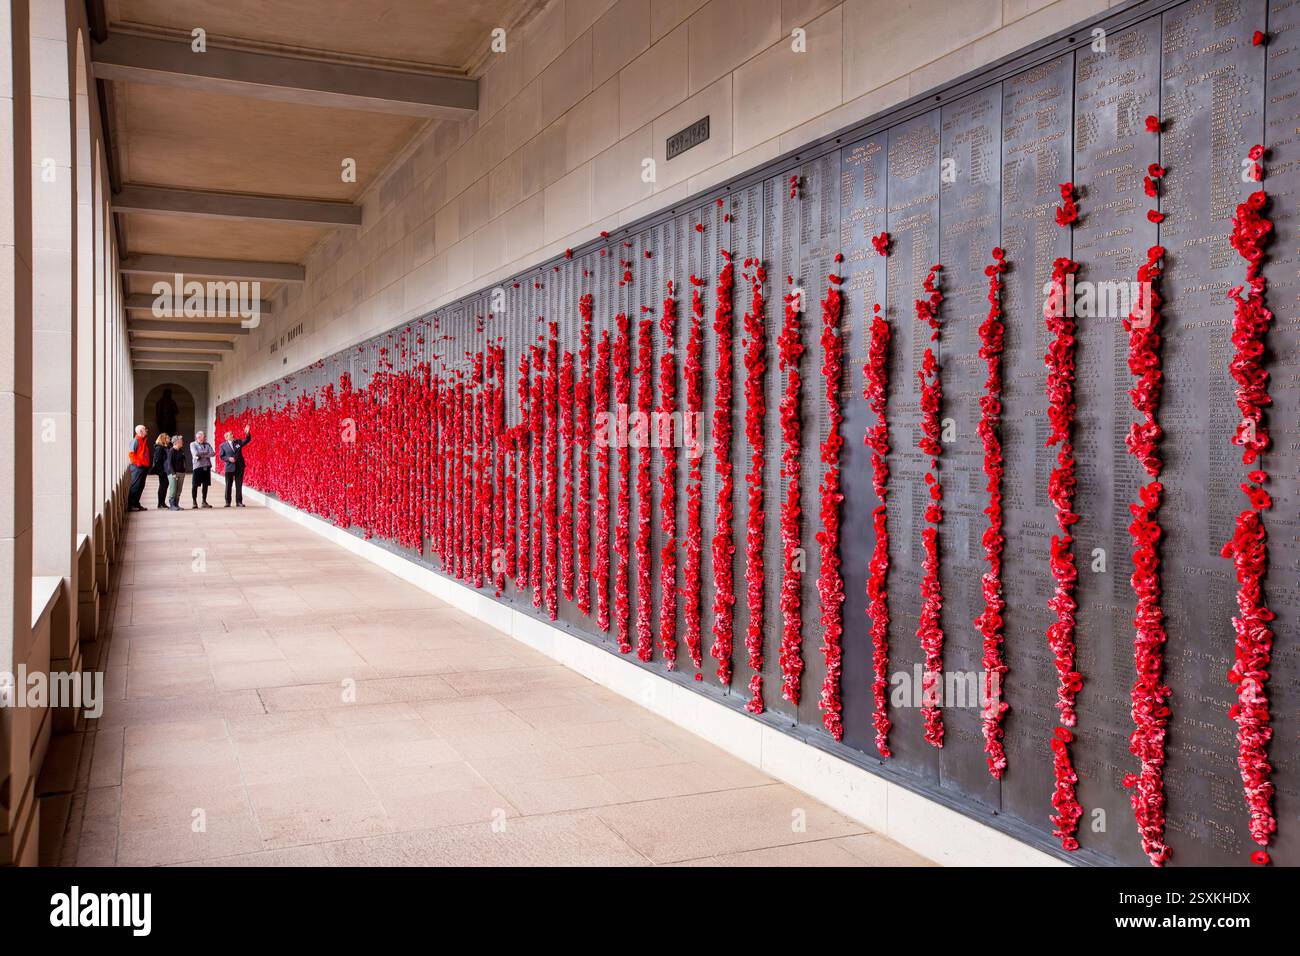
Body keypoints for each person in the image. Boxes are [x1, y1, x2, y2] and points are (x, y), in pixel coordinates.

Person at [219, 424, 252, 507]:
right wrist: (228, 459)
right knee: (228, 485)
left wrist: (247, 433)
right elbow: (222, 456)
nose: (232, 435)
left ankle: (239, 502)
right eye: (230, 434)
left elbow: (247, 440)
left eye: (232, 434)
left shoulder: (238, 442)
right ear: (226, 437)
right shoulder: (223, 446)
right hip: (229, 468)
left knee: (239, 485)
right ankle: (227, 502)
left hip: (239, 466)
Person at [127, 424, 151, 511]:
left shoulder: (142, 440)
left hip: (143, 467)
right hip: (138, 467)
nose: (146, 431)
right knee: (136, 486)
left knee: (141, 485)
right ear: (141, 431)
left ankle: (136, 503)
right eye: (145, 429)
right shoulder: (136, 441)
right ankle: (132, 505)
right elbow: (131, 454)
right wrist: (138, 464)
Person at [189, 430, 215, 509]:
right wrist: (206, 453)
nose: (205, 438)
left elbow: (213, 453)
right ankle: (194, 502)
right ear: (199, 437)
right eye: (204, 437)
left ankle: (204, 501)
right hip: (197, 466)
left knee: (205, 485)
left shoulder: (207, 444)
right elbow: (195, 453)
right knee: (195, 485)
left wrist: (202, 454)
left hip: (206, 466)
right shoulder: (193, 444)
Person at [165, 435, 187, 511]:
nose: (182, 442)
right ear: (177, 442)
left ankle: (176, 505)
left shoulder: (181, 450)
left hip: (181, 473)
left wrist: (184, 470)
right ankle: (172, 506)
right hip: (173, 473)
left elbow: (183, 461)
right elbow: (169, 463)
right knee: (173, 489)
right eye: (181, 441)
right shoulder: (171, 451)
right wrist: (173, 473)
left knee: (179, 490)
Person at [150, 432, 171, 509]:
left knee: (165, 486)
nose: (170, 439)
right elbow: (157, 461)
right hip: (162, 471)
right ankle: (160, 504)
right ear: (163, 439)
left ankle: (163, 503)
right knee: (162, 486)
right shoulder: (159, 448)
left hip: (166, 470)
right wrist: (161, 471)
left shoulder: (166, 447)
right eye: (168, 438)